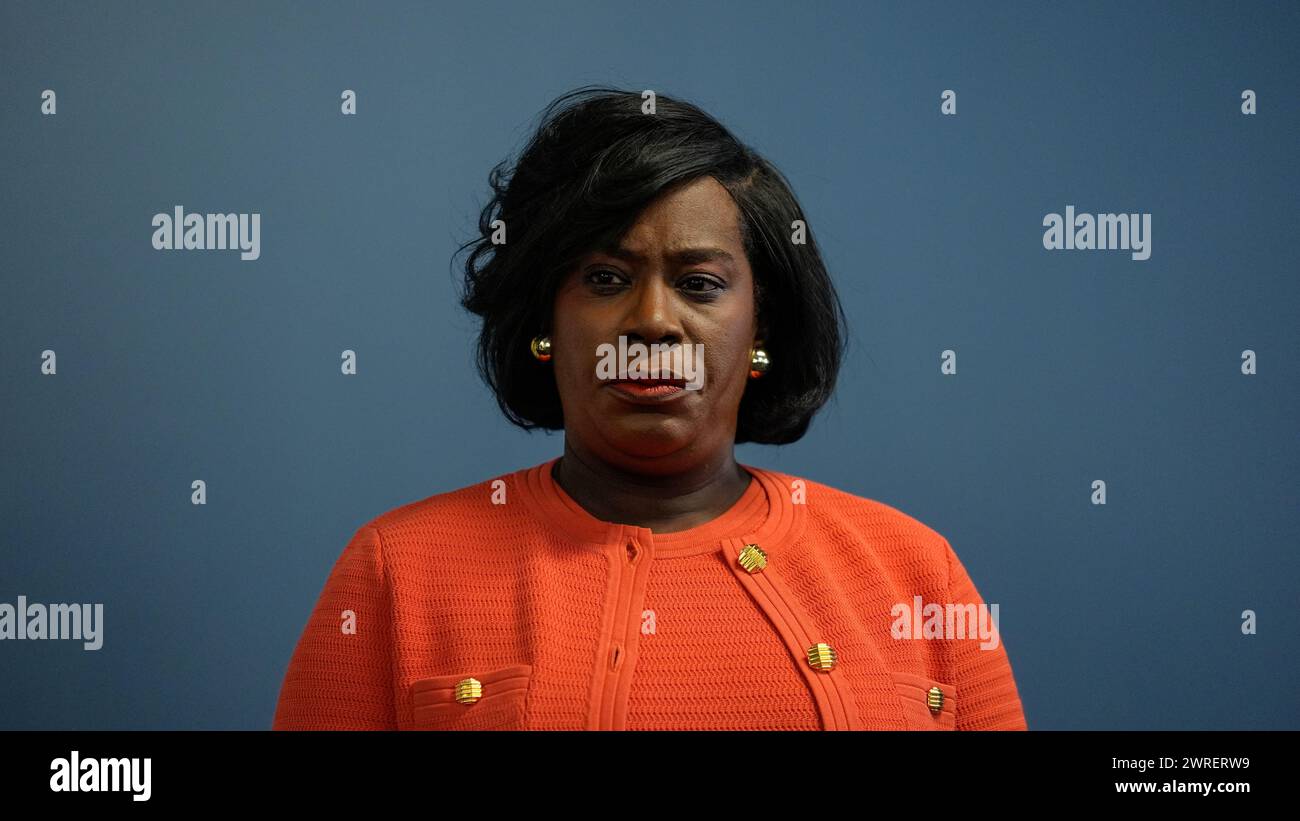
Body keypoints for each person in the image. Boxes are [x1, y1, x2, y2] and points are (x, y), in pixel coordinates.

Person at [272, 85, 1028, 730]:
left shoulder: (914, 569)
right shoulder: (396, 569)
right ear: (545, 319)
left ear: (761, 325)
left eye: (700, 283)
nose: (653, 320)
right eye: (605, 278)